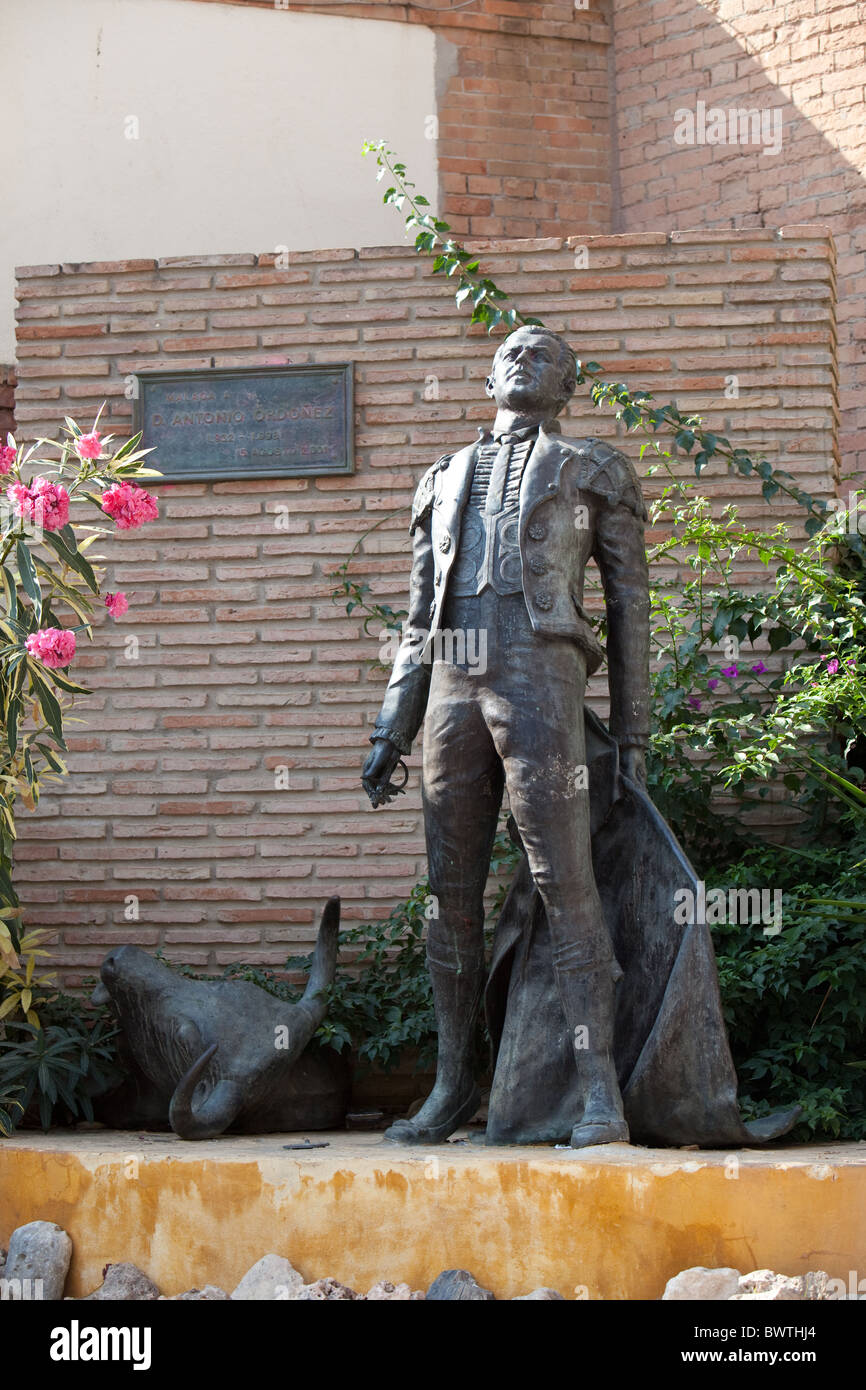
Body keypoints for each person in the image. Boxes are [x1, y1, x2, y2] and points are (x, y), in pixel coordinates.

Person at [361, 325, 649, 1146]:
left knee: (567, 881)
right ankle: (454, 1086)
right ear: (490, 377)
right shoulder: (441, 477)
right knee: (448, 897)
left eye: (544, 354)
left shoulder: (593, 468)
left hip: (541, 678)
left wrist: (633, 735)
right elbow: (419, 621)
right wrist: (393, 727)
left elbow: (631, 606)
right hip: (453, 679)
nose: (524, 358)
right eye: (512, 352)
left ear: (569, 387)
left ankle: (601, 1095)